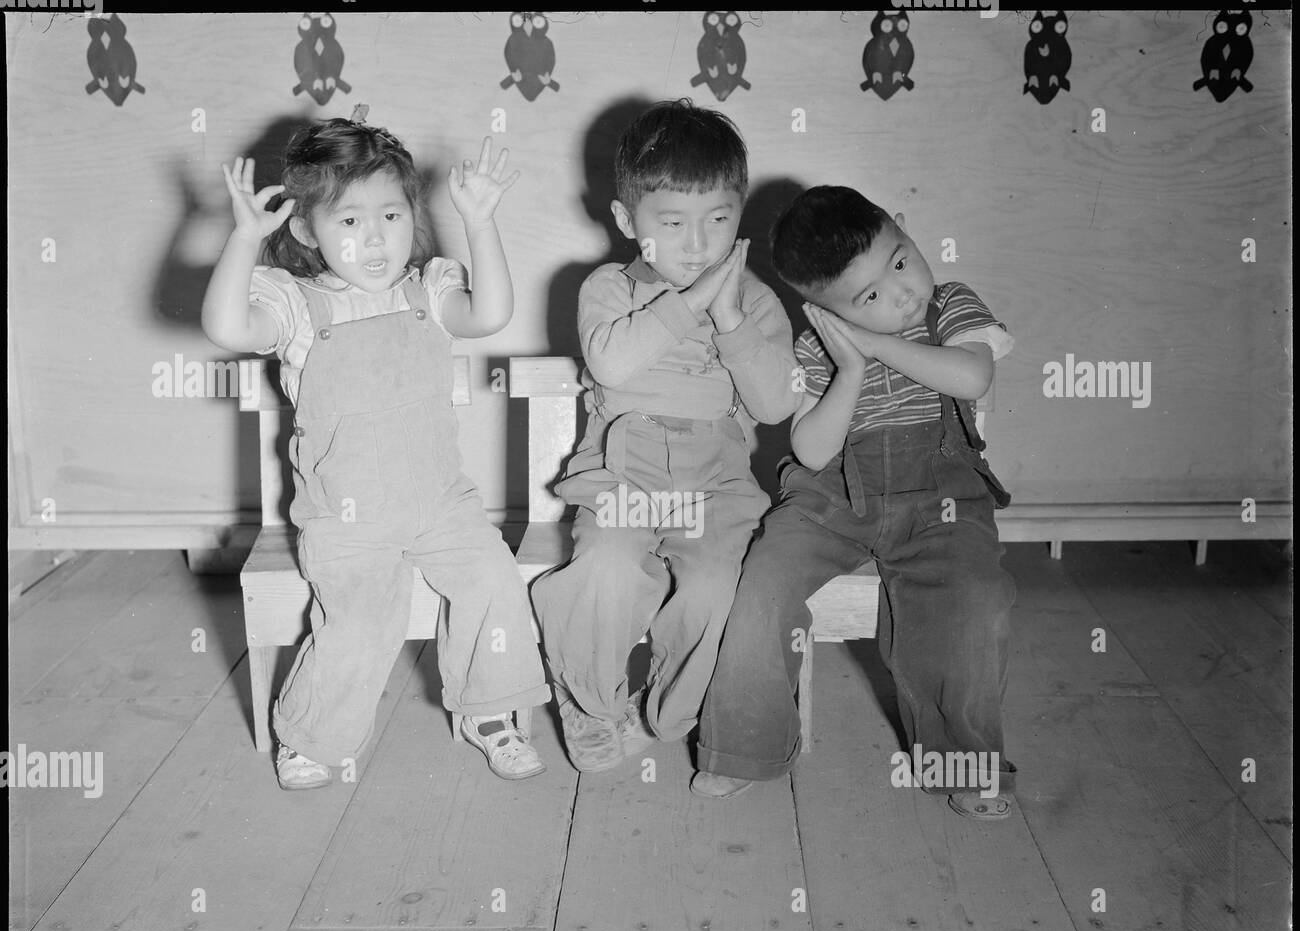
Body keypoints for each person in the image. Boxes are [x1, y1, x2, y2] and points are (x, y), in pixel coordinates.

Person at [201, 112, 550, 790]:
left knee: (493, 580)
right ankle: (311, 734)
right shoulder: (297, 306)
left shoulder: (428, 287)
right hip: (345, 516)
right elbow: (225, 326)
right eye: (349, 221)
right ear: (305, 229)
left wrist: (481, 222)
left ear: (412, 216)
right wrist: (244, 240)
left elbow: (490, 315)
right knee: (363, 617)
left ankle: (490, 713)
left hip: (440, 502)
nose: (374, 239)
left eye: (390, 215)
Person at [696, 185, 1018, 819]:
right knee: (761, 582)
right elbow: (813, 451)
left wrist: (872, 344)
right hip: (833, 495)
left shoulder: (951, 305)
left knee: (976, 601)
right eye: (869, 297)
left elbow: (972, 375)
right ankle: (744, 748)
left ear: (902, 228)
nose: (901, 293)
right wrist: (848, 369)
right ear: (820, 310)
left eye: (899, 261)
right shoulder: (817, 352)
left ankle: (964, 763)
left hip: (940, 497)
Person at [531, 99, 799, 773]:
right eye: (672, 223)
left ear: (741, 214)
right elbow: (612, 363)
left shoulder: (759, 301)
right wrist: (690, 303)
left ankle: (668, 708)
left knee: (718, 588)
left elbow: (771, 406)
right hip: (625, 471)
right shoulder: (609, 287)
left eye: (718, 220)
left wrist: (733, 319)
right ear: (628, 221)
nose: (698, 244)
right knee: (608, 568)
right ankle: (589, 698)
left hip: (717, 481)